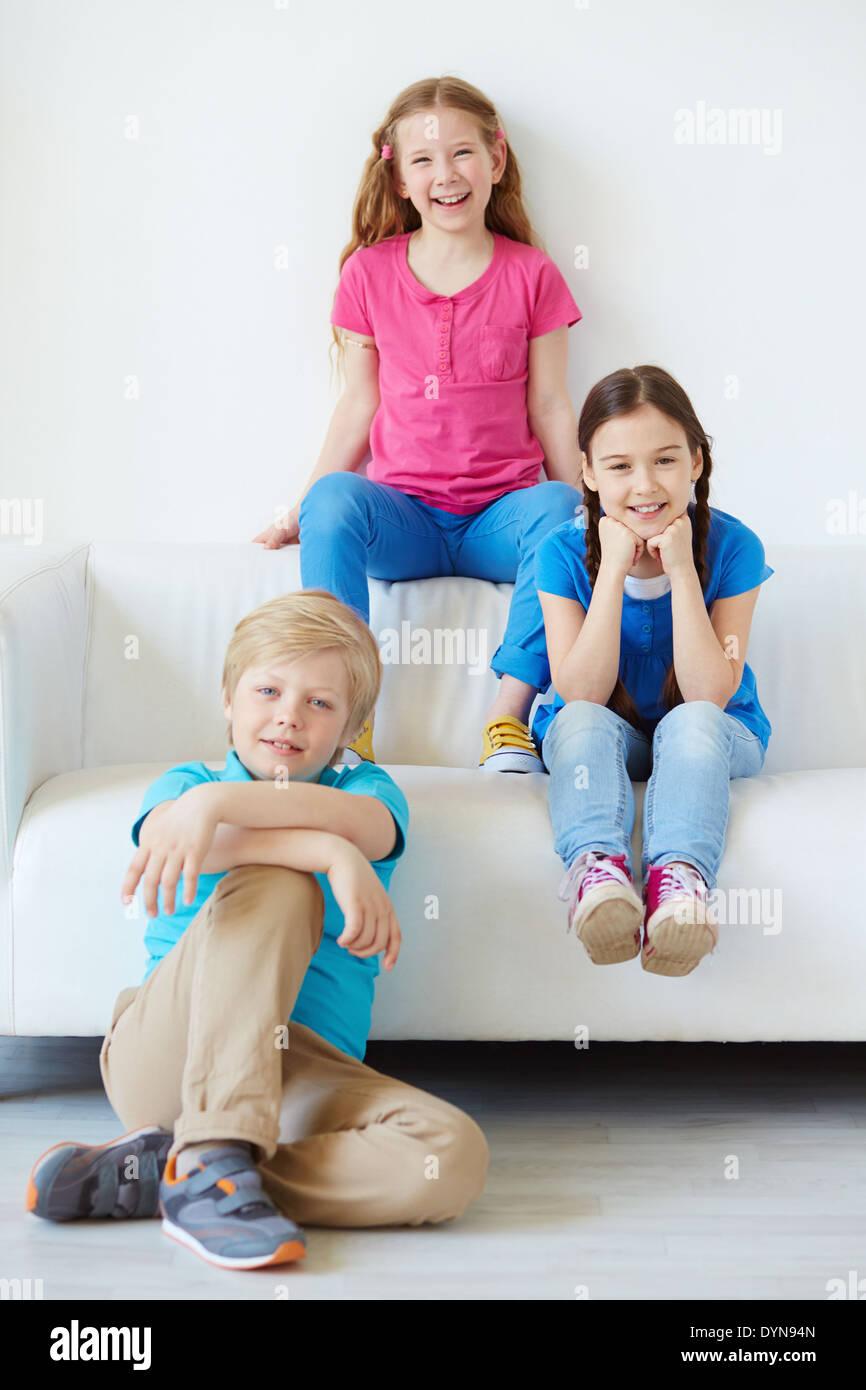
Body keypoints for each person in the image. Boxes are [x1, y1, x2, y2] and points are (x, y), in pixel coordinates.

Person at [26, 591, 489, 1269]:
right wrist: (324, 855)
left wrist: (225, 810)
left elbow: (360, 828)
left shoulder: (369, 793)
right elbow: (177, 842)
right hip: (170, 1058)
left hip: (294, 1074)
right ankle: (210, 1157)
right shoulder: (184, 785)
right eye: (267, 689)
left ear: (349, 729)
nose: (288, 716)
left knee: (453, 1156)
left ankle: (181, 1172)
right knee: (281, 882)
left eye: (320, 703)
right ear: (227, 699)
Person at [253, 75, 583, 774]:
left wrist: (592, 502)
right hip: (403, 518)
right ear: (398, 176)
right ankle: (349, 717)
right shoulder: (368, 275)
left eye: (462, 154)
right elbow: (358, 404)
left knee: (559, 509)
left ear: (495, 161)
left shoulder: (534, 275)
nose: (446, 175)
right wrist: (303, 508)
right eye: (424, 160)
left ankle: (507, 720)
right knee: (331, 500)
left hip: (500, 517)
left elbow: (551, 404)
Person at [532, 366, 774, 977]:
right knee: (581, 719)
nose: (645, 485)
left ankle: (680, 887)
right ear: (587, 472)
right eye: (618, 466)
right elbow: (579, 693)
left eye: (665, 460)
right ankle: (600, 878)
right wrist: (612, 569)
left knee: (691, 722)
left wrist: (683, 571)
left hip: (713, 731)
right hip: (606, 729)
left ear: (695, 460)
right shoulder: (561, 550)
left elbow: (709, 694)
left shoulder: (736, 547)